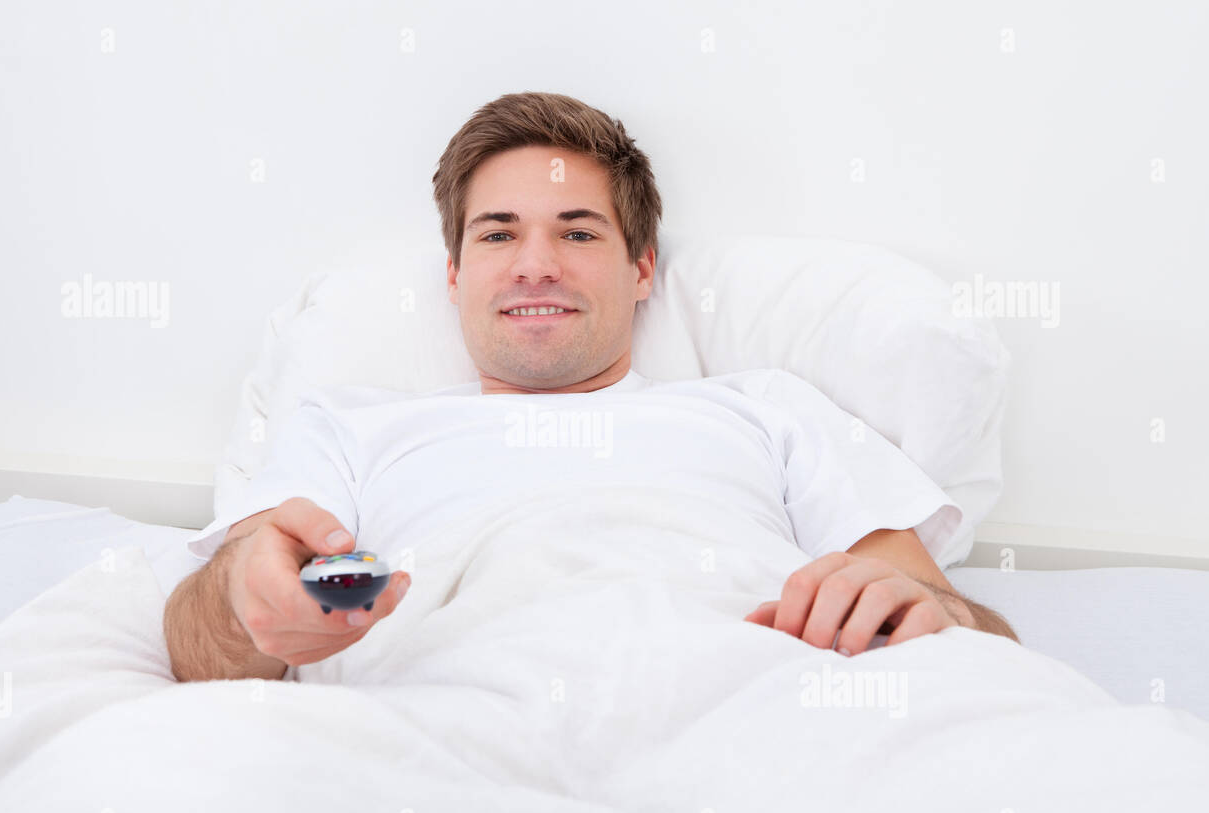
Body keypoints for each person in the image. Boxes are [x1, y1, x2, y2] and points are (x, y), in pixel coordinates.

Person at [164, 91, 1015, 683]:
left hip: (754, 700)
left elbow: (970, 631)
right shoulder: (345, 429)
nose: (537, 263)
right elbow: (206, 648)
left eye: (577, 232)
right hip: (434, 715)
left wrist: (931, 613)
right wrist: (244, 606)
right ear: (454, 276)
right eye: (499, 235)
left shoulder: (766, 410)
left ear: (642, 269)